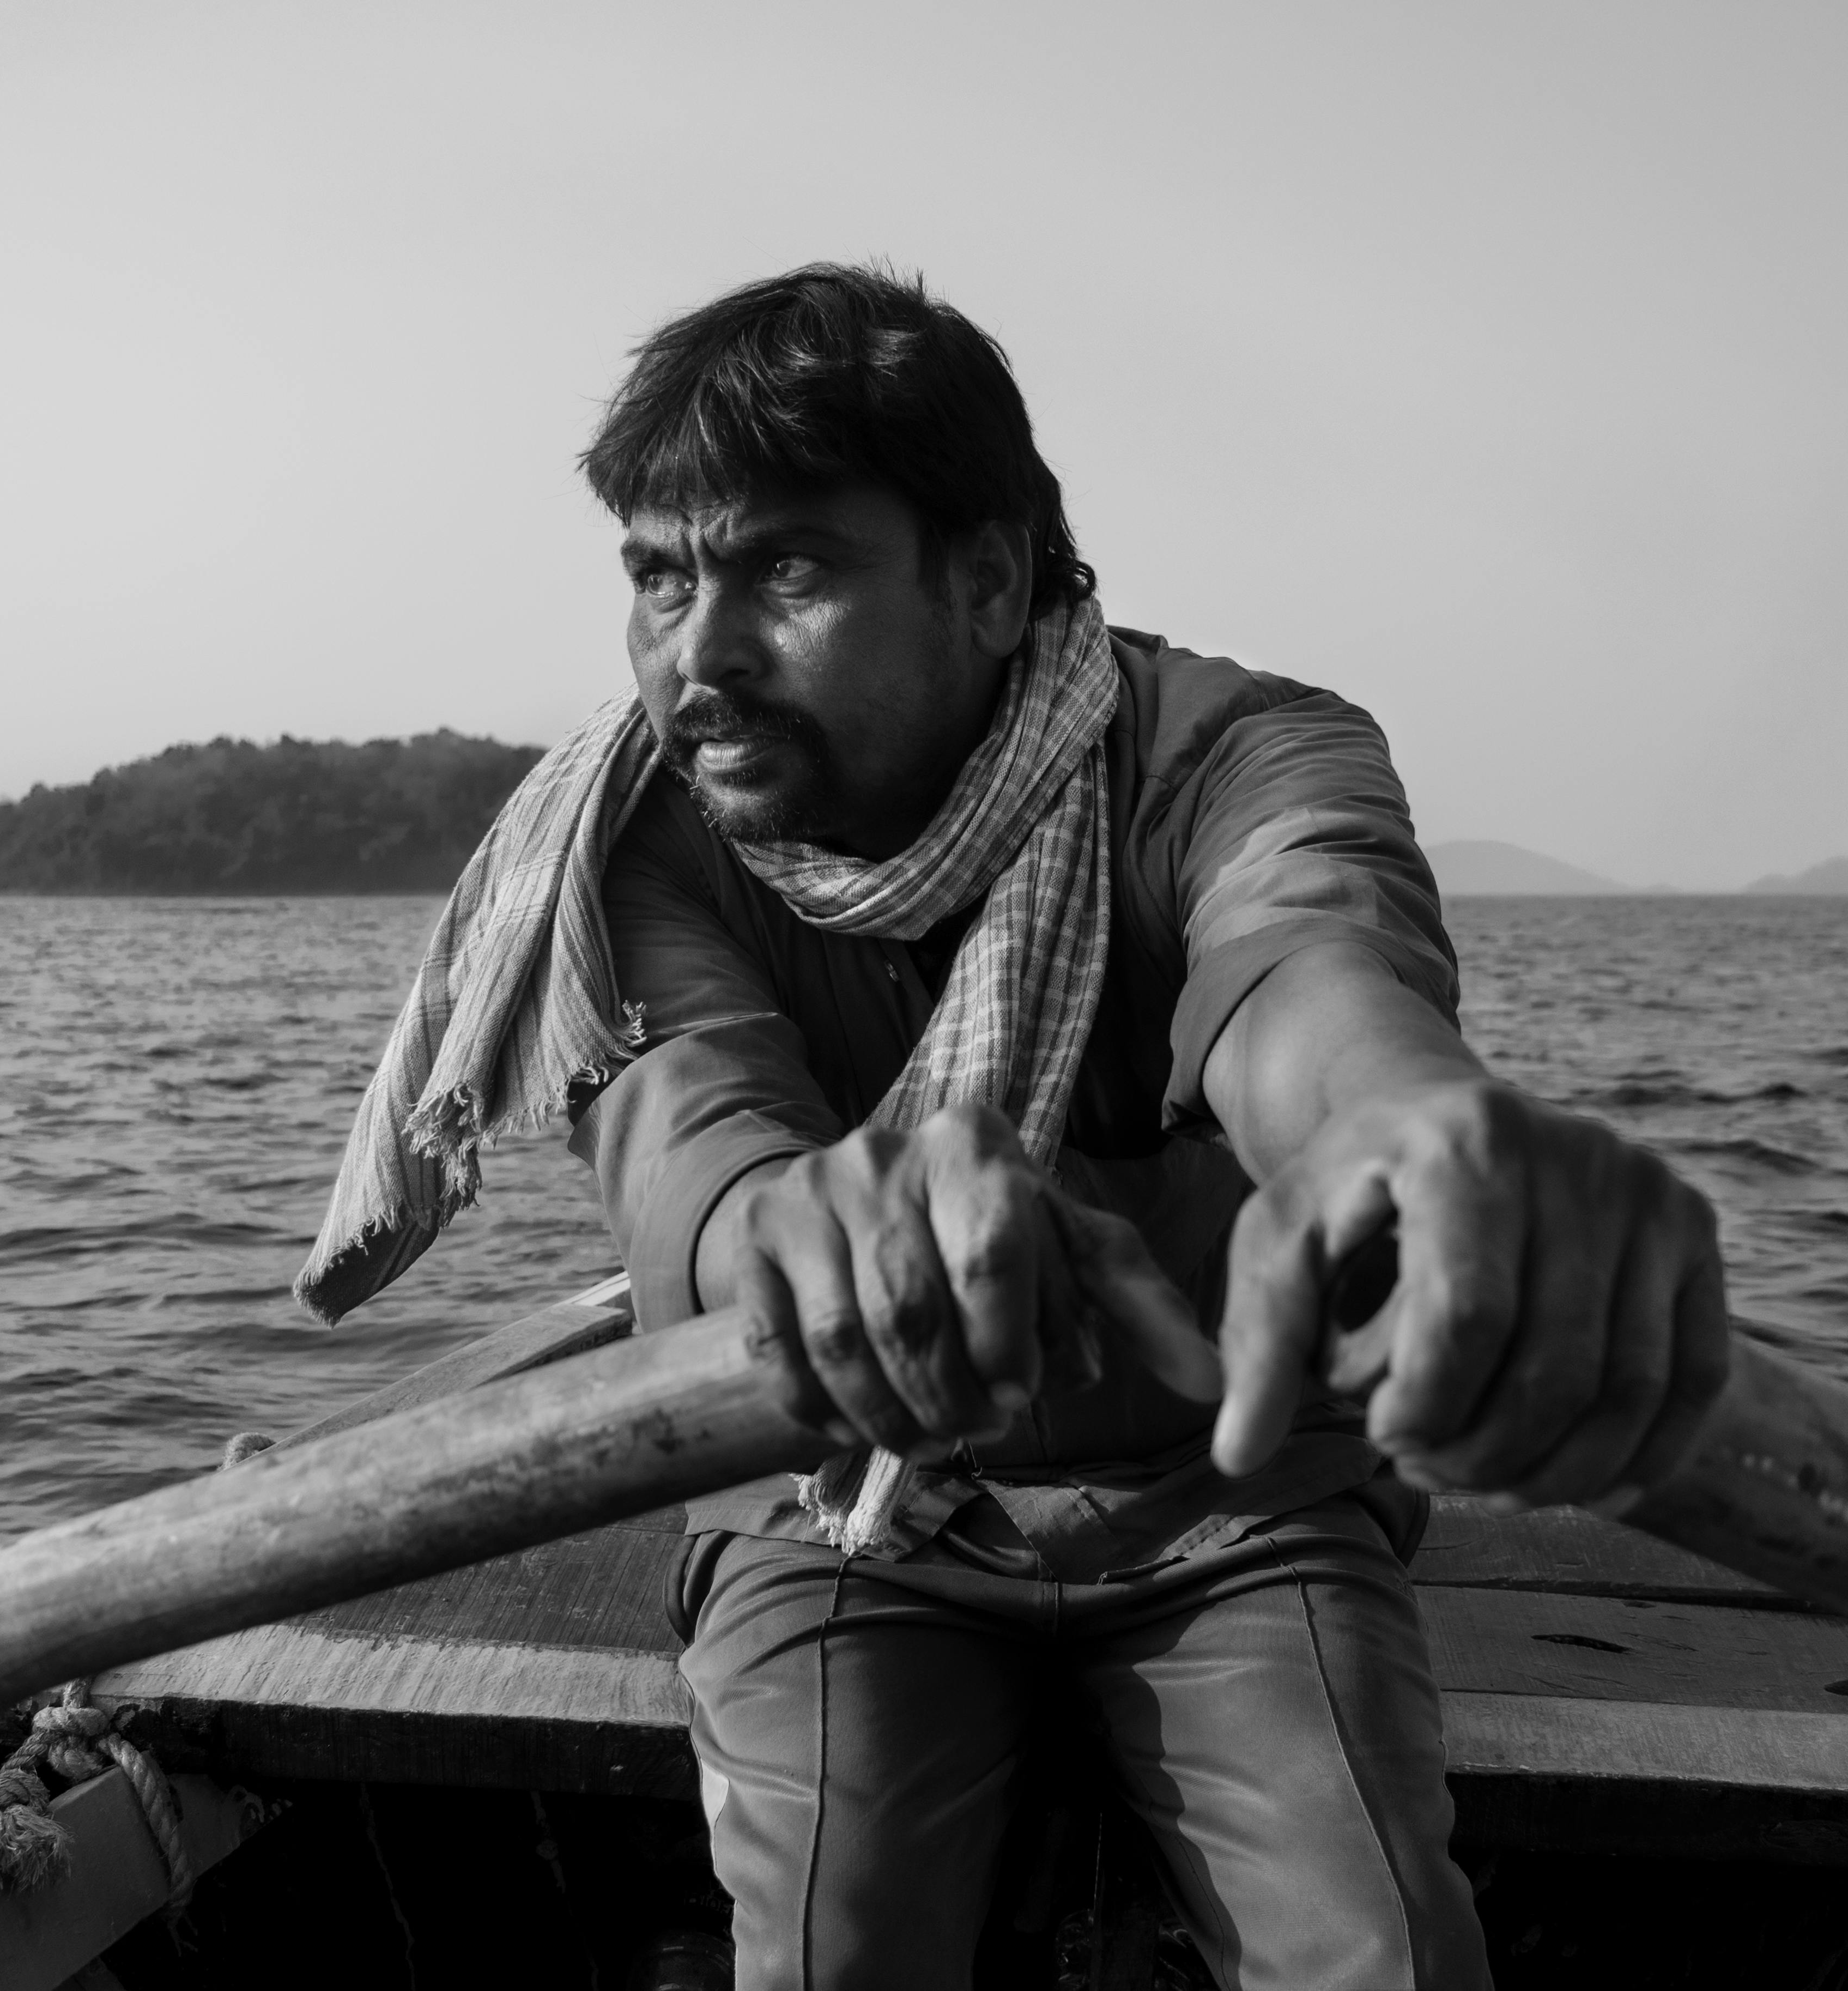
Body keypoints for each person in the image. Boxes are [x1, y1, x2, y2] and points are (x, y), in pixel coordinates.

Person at [298, 263, 1730, 1991]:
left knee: (1382, 1955)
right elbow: (705, 1143)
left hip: (1229, 1499)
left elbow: (1312, 970)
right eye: (659, 580)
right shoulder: (631, 845)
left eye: (789, 569)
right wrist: (805, 1233)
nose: (702, 656)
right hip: (823, 1507)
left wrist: (1408, 1139)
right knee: (831, 1952)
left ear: (986, 580)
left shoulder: (1239, 755)